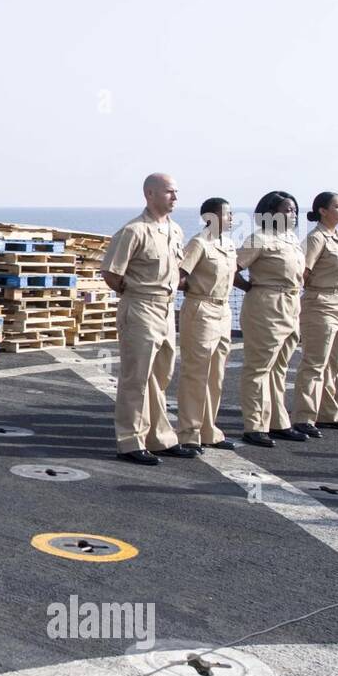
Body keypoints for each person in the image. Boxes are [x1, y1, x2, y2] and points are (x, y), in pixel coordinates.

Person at [101, 173, 195, 465]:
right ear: (150, 194)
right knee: (136, 378)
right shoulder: (133, 231)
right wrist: (133, 293)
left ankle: (159, 438)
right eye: (169, 192)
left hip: (166, 309)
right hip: (141, 307)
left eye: (176, 192)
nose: (175, 198)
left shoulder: (175, 230)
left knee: (160, 377)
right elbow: (111, 273)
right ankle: (130, 441)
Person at [235, 191, 306, 448]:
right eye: (287, 209)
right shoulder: (259, 239)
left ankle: (278, 422)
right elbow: (233, 267)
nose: (293, 214)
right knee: (258, 367)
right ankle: (254, 425)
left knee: (279, 368)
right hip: (266, 304)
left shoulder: (290, 240)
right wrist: (249, 288)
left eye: (294, 210)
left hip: (290, 304)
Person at [291, 191, 338, 437]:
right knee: (315, 363)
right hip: (321, 302)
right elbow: (302, 273)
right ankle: (305, 416)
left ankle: (331, 413)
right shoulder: (316, 239)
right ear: (322, 210)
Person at [175, 198, 237, 452]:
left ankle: (209, 430)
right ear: (210, 218)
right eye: (227, 213)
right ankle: (189, 432)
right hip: (201, 308)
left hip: (223, 309)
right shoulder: (199, 243)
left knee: (216, 374)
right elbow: (179, 277)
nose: (232, 217)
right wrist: (194, 290)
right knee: (196, 373)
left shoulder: (229, 245)